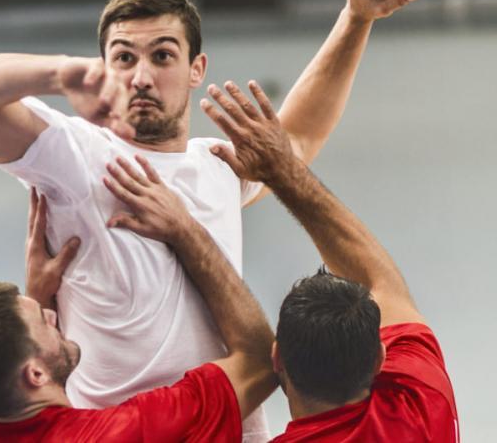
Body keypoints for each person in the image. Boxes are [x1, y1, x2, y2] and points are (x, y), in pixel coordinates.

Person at [0, 0, 417, 441]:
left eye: (162, 55)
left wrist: (356, 18)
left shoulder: (216, 165)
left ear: (196, 70)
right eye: (123, 58)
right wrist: (58, 73)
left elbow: (296, 141)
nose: (141, 76)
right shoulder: (76, 154)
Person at [195, 79, 458, 442]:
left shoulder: (420, 399)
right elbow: (379, 279)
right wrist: (281, 170)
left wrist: (188, 233)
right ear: (380, 359)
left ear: (277, 360)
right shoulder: (421, 404)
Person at [0, 183, 276, 441]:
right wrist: (186, 232)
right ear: (35, 374)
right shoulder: (124, 433)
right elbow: (260, 362)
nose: (52, 315)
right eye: (43, 321)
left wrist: (38, 295)